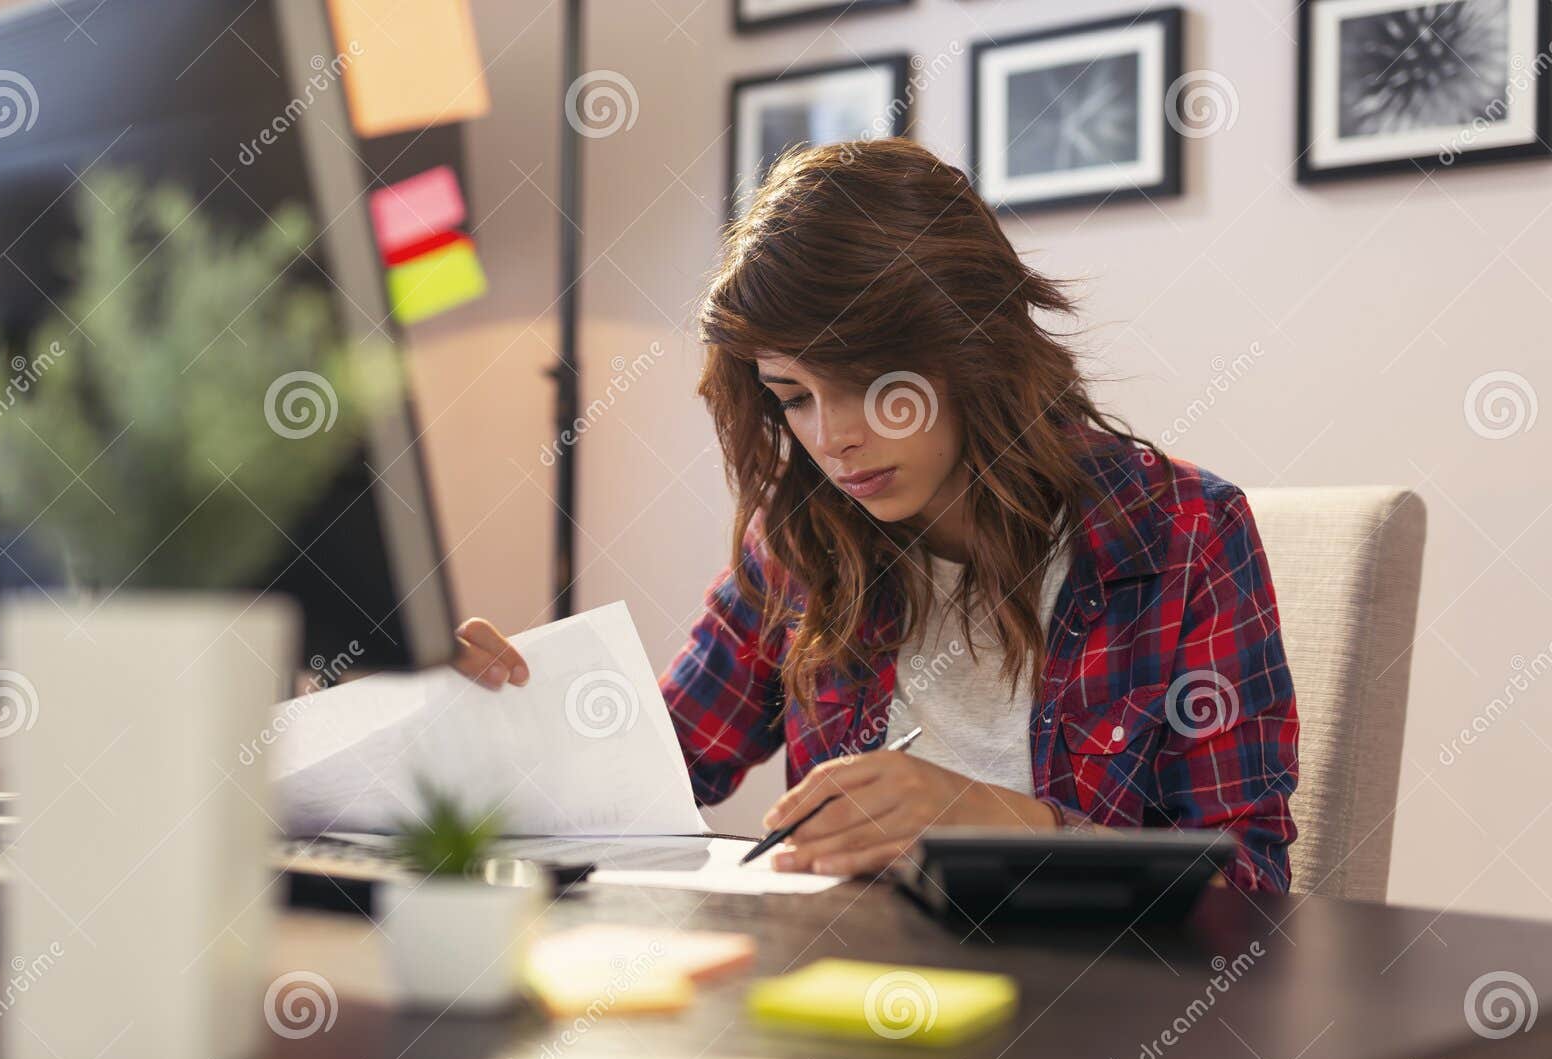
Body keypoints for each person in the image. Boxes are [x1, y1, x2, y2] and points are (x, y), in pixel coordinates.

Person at [456, 138, 1298, 892]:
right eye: (794, 396)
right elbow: (658, 770)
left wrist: (1004, 821)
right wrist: (486, 721)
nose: (833, 439)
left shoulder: (1184, 533)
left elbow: (1250, 885)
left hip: (1093, 1011)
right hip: (841, 996)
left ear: (975, 344)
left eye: (867, 384)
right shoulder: (801, 541)